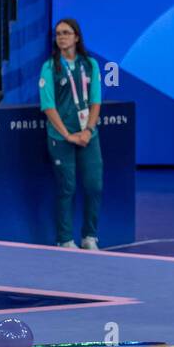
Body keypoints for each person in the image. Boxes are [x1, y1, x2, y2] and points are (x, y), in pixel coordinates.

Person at [39, 19, 103, 250]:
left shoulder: (90, 64)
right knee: (67, 188)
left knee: (94, 185)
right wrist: (67, 135)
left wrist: (87, 130)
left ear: (77, 37)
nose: (61, 37)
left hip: (88, 136)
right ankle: (65, 239)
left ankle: (89, 236)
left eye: (66, 33)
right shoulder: (50, 67)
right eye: (58, 34)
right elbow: (48, 106)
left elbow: (95, 101)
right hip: (61, 137)